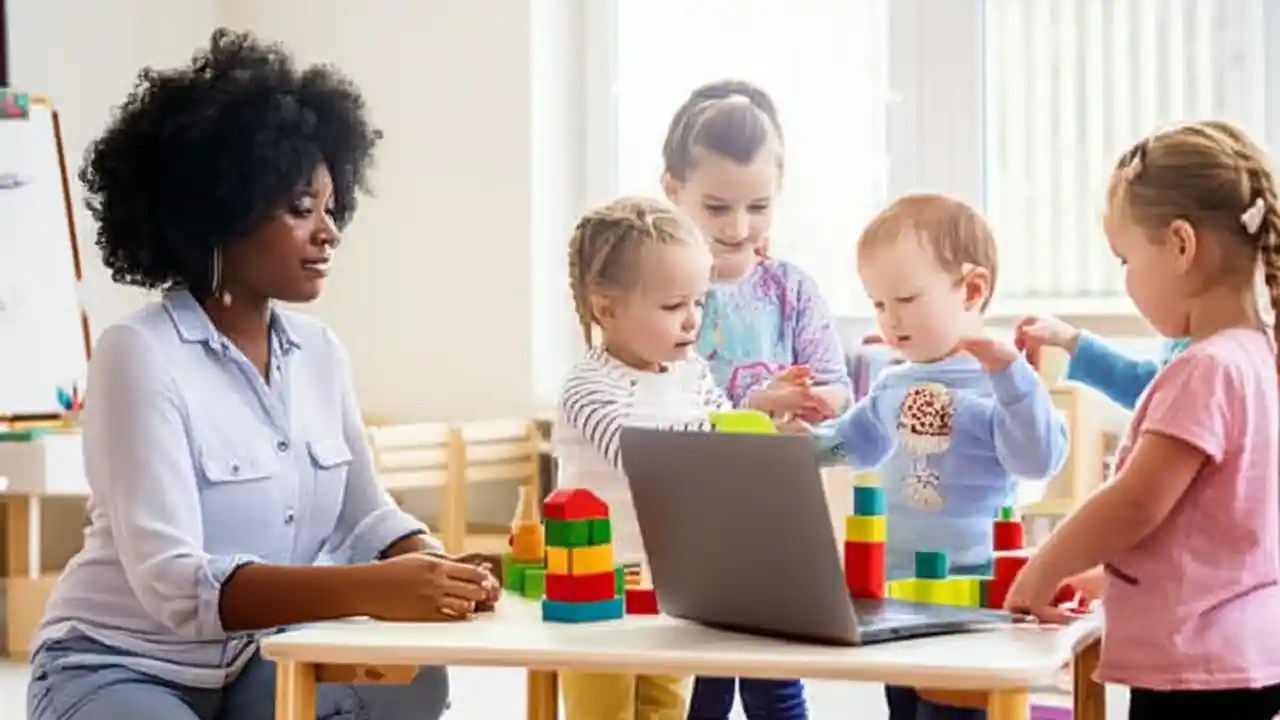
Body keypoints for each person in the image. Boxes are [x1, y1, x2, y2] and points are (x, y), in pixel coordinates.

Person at [26, 29, 498, 720]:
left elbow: (364, 515)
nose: (328, 232)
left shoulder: (320, 353)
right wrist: (373, 589)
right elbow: (176, 586)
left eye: (331, 209)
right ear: (221, 212)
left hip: (261, 657)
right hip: (120, 662)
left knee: (414, 681)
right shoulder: (138, 353)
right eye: (300, 209)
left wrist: (436, 567)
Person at [1004, 121, 1280, 720]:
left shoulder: (1206, 369)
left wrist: (1046, 563)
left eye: (1126, 258)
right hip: (1242, 655)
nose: (1125, 280)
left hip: (1196, 669)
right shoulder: (1258, 355)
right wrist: (1112, 578)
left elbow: (1136, 502)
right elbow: (1213, 531)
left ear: (1180, 245)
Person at [815, 193, 1068, 720]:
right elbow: (850, 444)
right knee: (903, 710)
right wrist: (795, 443)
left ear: (972, 290)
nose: (890, 319)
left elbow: (1036, 460)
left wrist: (1012, 376)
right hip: (891, 594)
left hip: (969, 595)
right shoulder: (890, 385)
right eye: (879, 303)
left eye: (906, 299)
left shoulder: (998, 384)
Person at [660, 79, 850, 720]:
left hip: (778, 513)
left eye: (758, 207)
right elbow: (661, 392)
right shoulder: (666, 293)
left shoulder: (792, 289)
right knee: (700, 676)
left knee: (775, 674)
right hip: (694, 517)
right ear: (672, 192)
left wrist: (811, 401)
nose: (739, 228)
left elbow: (835, 384)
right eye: (716, 208)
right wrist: (757, 402)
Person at [553, 195, 737, 720]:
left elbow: (726, 441)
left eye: (698, 302)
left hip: (672, 583)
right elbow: (643, 455)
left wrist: (767, 423)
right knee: (602, 711)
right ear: (606, 308)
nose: (692, 320)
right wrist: (726, 431)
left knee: (665, 709)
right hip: (596, 589)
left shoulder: (692, 374)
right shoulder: (589, 385)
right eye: (673, 306)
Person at [1013, 316, 1188, 410]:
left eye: (1125, 260)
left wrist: (1071, 340)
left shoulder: (1199, 358)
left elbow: (1146, 389)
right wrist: (1068, 339)